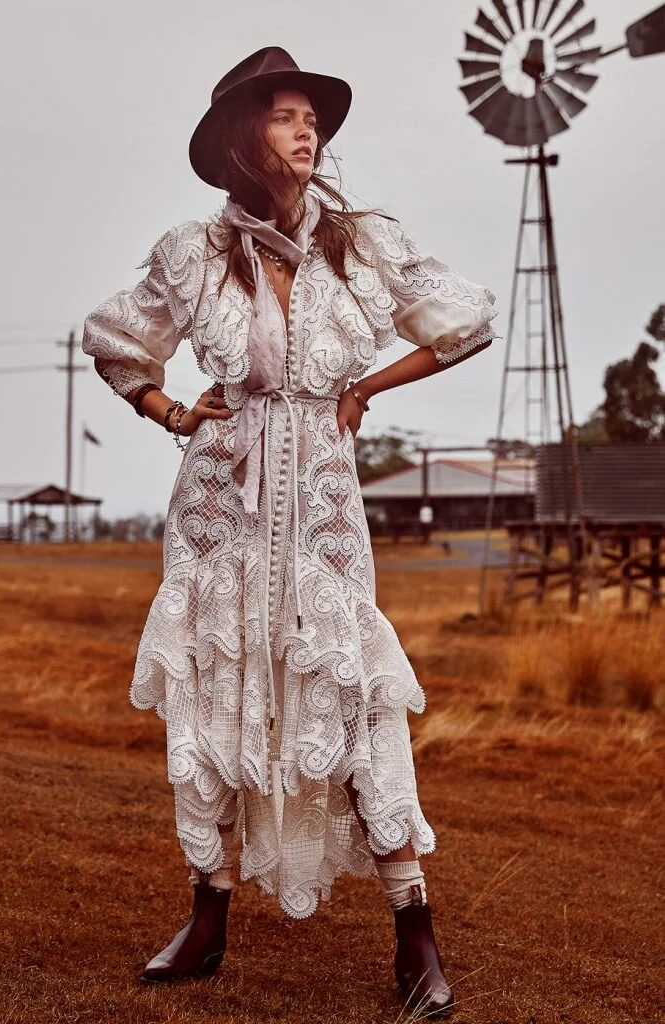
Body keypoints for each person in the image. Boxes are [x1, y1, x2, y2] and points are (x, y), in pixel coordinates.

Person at [82, 46, 498, 1018]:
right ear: (241, 136)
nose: (306, 130)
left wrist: (365, 386)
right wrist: (172, 411)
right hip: (220, 516)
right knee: (217, 698)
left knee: (352, 701)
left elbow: (463, 321)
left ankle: (415, 932)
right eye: (283, 114)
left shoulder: (363, 244)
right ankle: (207, 916)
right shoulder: (191, 251)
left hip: (320, 516)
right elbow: (114, 341)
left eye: (312, 115)